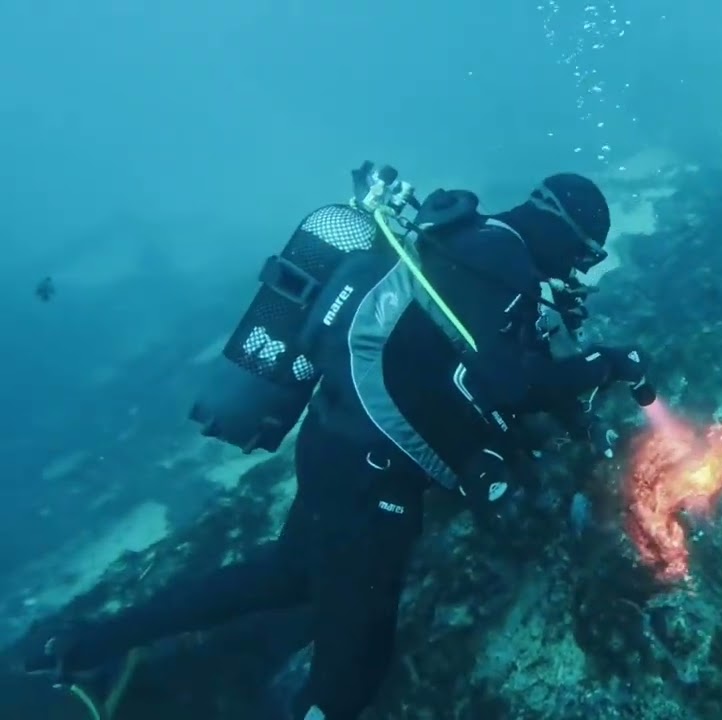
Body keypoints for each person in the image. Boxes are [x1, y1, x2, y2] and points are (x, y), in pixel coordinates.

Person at [20, 171, 652, 720]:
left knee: (289, 575)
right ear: (564, 230)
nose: (578, 271)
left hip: (331, 442)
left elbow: (458, 376)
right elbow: (507, 384)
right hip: (371, 479)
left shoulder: (467, 242)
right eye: (586, 257)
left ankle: (83, 646)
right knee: (350, 681)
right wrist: (609, 360)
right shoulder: (501, 262)